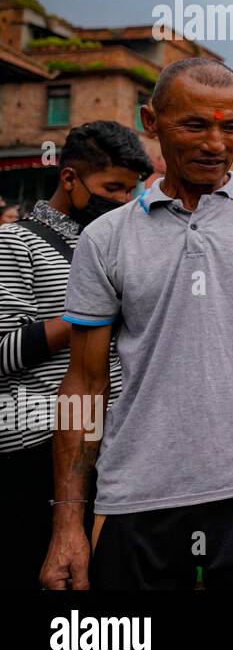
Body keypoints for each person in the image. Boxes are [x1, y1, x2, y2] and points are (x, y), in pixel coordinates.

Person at [42, 58, 233, 590]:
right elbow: (84, 383)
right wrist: (68, 520)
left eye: (232, 127)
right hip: (138, 502)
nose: (216, 144)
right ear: (151, 122)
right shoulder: (106, 239)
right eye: (195, 125)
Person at [0, 121, 152, 589]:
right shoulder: (16, 243)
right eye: (111, 188)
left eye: (130, 190)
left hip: (107, 447)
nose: (123, 201)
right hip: (35, 450)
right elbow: (4, 350)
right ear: (69, 179)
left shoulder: (114, 248)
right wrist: (91, 312)